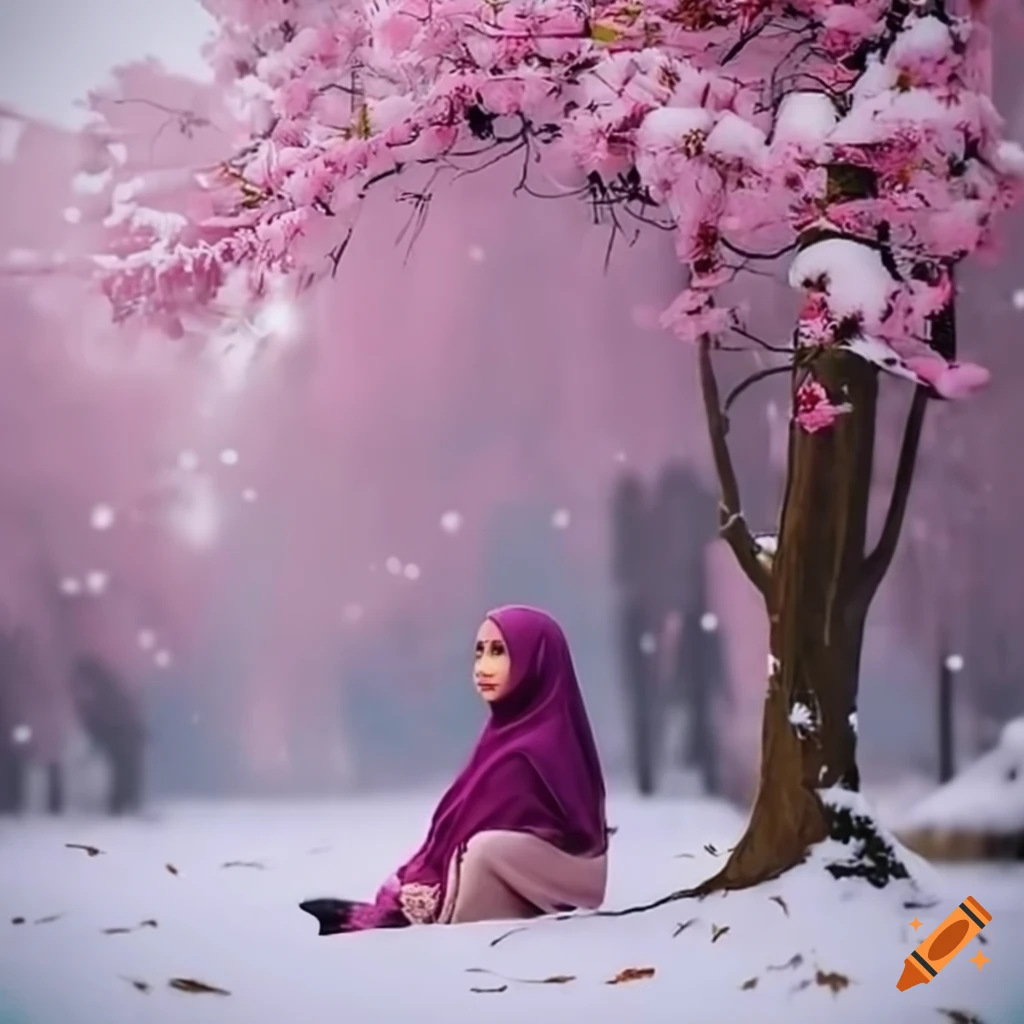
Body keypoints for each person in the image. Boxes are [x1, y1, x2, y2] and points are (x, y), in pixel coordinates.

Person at [299, 605, 609, 934]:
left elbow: (541, 832)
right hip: (520, 866)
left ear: (536, 660)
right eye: (479, 653)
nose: (483, 667)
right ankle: (444, 919)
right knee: (475, 853)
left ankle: (448, 926)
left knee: (479, 851)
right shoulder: (503, 735)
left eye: (499, 652)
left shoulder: (536, 748)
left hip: (563, 874)